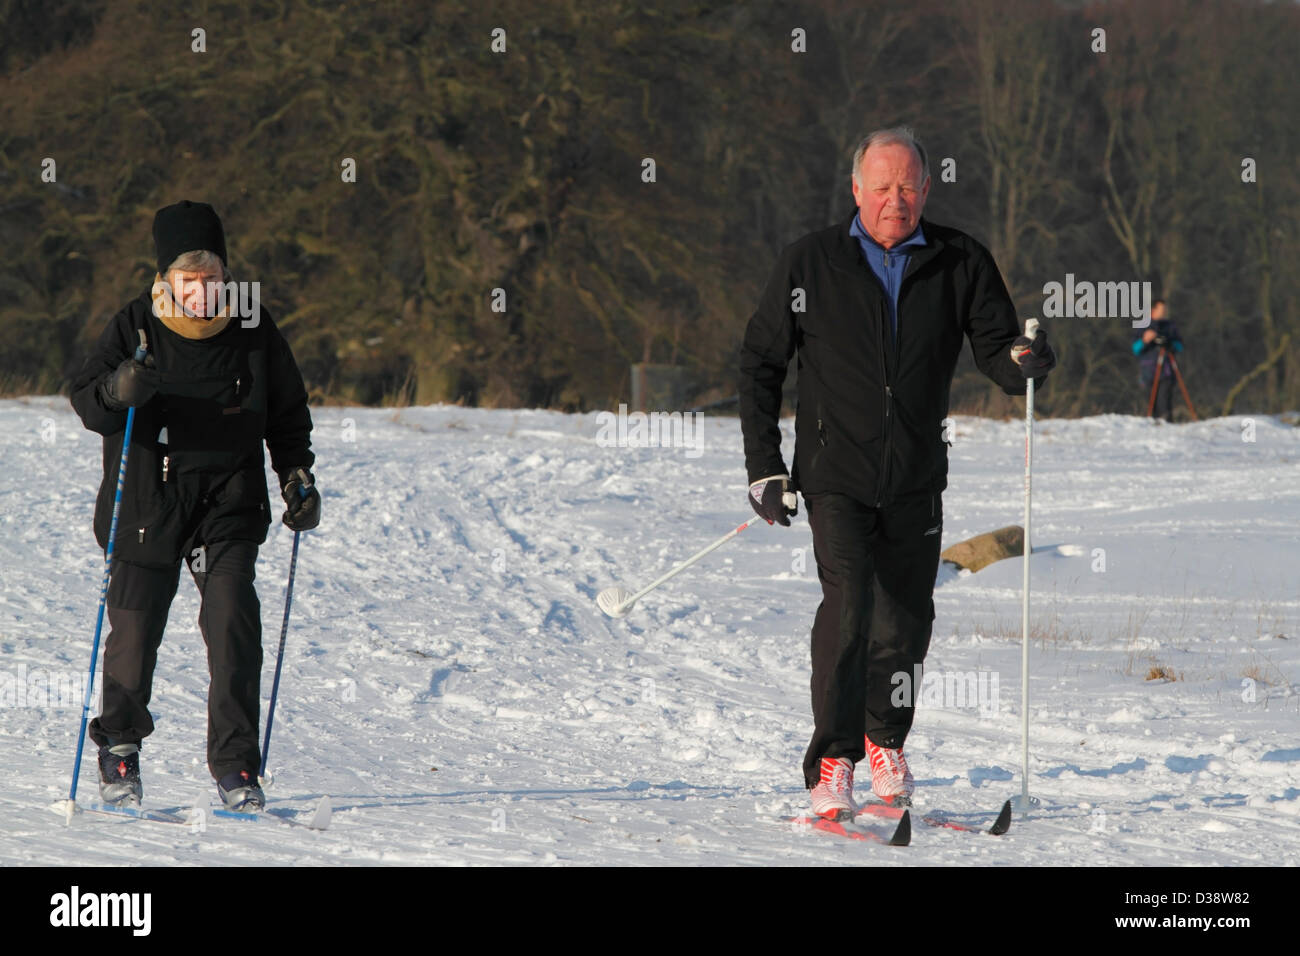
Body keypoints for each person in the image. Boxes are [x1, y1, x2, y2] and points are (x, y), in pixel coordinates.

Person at [738, 127, 1055, 818]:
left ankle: (887, 741)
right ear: (856, 190)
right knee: (850, 607)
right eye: (881, 188)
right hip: (833, 473)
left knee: (906, 622)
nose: (895, 201)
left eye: (908, 187)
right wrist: (765, 468)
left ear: (926, 189)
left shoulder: (958, 260)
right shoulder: (811, 263)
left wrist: (1026, 360)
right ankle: (833, 759)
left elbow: (998, 352)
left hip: (915, 475)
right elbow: (760, 363)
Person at [70, 200, 321, 812]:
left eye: (213, 278)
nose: (204, 291)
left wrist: (296, 478)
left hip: (226, 501)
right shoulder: (134, 325)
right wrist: (116, 388)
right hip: (146, 502)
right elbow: (87, 402)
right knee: (133, 633)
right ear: (166, 281)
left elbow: (286, 416)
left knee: (234, 623)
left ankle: (237, 767)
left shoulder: (255, 329)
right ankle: (120, 749)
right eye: (190, 279)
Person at [1133, 298, 1184, 421]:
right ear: (1153, 310)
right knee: (1150, 403)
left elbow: (1180, 346)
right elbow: (1135, 349)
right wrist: (1145, 340)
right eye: (1161, 310)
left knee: (1164, 402)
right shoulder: (1142, 325)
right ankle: (1151, 429)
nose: (1164, 313)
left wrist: (1169, 344)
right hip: (1148, 371)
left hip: (1166, 371)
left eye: (1165, 310)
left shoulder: (1170, 326)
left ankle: (1167, 426)